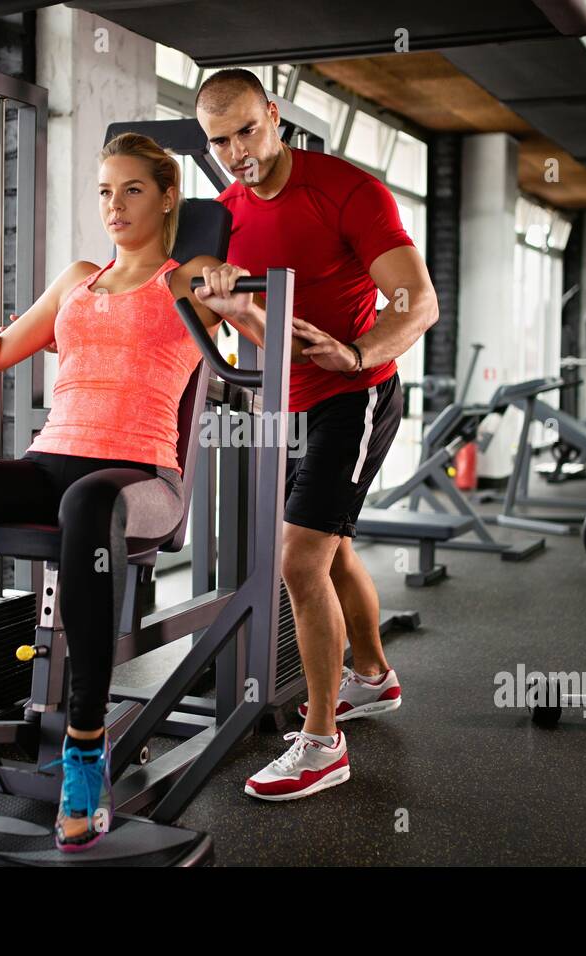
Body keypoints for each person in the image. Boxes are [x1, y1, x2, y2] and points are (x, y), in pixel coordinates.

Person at [0, 133, 232, 852]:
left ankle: (86, 746)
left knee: (87, 504)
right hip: (48, 463)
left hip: (142, 479)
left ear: (168, 197)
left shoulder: (191, 277)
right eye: (103, 191)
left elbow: (253, 323)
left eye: (132, 190)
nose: (114, 206)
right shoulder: (77, 281)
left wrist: (236, 301)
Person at [191, 69, 439, 801]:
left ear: (274, 115)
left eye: (247, 129)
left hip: (354, 394)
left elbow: (416, 301)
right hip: (284, 401)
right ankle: (373, 677)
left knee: (300, 559)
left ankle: (324, 744)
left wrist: (359, 352)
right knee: (330, 555)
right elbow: (216, 321)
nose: (238, 151)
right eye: (219, 141)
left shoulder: (348, 191)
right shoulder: (225, 214)